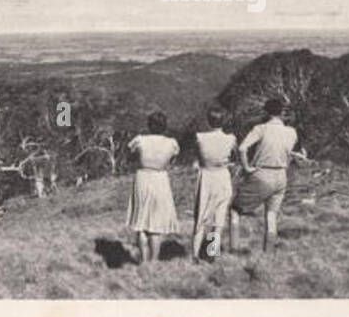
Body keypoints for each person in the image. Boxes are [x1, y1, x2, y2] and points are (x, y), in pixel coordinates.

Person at [230, 98, 302, 253]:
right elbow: (288, 154)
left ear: (266, 112)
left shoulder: (260, 129)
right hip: (281, 176)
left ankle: (232, 250)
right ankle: (268, 255)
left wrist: (247, 168)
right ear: (282, 112)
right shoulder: (291, 132)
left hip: (262, 174)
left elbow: (242, 149)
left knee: (235, 210)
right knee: (271, 215)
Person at [126, 111, 181, 264]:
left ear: (149, 125)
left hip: (142, 178)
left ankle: (144, 261)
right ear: (165, 126)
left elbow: (129, 155)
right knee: (156, 224)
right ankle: (154, 261)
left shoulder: (139, 140)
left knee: (141, 222)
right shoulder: (172, 143)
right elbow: (173, 159)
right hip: (160, 179)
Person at [191, 108, 237, 262]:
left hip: (206, 176)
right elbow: (234, 156)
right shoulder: (231, 139)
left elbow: (198, 156)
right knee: (219, 216)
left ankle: (195, 254)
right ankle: (211, 253)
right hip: (222, 176)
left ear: (209, 121)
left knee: (201, 215)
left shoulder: (200, 137)